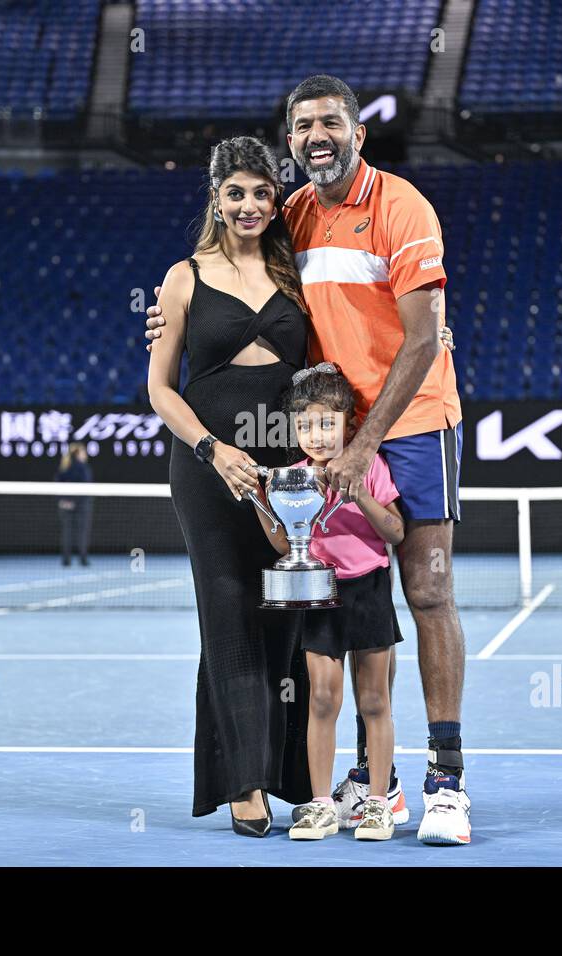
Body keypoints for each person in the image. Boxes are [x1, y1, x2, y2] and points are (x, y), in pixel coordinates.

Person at [147, 75, 472, 844]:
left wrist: (362, 447)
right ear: (291, 141)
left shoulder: (402, 207)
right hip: (324, 440)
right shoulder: (292, 214)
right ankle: (372, 785)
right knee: (338, 609)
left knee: (426, 593)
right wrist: (169, 313)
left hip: (411, 425)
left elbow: (425, 338)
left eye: (330, 120)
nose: (316, 134)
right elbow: (232, 270)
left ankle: (448, 781)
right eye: (302, 125)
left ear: (359, 130)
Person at [146, 136, 313, 836]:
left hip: (289, 482)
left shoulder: (298, 273)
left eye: (262, 193)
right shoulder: (182, 277)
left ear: (276, 200)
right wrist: (215, 450)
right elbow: (159, 390)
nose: (249, 205)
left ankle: (295, 775)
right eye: (235, 192)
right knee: (227, 617)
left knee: (289, 624)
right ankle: (245, 782)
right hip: (209, 472)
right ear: (216, 197)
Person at [251, 363, 406, 841]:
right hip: (320, 593)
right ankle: (320, 805)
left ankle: (378, 804)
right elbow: (283, 547)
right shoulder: (292, 478)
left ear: (348, 423)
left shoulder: (370, 466)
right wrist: (262, 500)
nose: (314, 436)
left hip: (370, 591)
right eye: (304, 425)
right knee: (321, 698)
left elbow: (396, 532)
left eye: (325, 423)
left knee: (374, 700)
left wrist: (360, 495)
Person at [55, 444, 93, 567]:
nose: (85, 455)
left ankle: (66, 560)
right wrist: (73, 501)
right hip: (81, 505)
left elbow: (57, 485)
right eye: (83, 452)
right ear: (78, 454)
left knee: (67, 532)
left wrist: (64, 500)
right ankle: (83, 559)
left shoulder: (64, 467)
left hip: (66, 505)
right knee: (81, 532)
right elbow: (86, 486)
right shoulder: (82, 468)